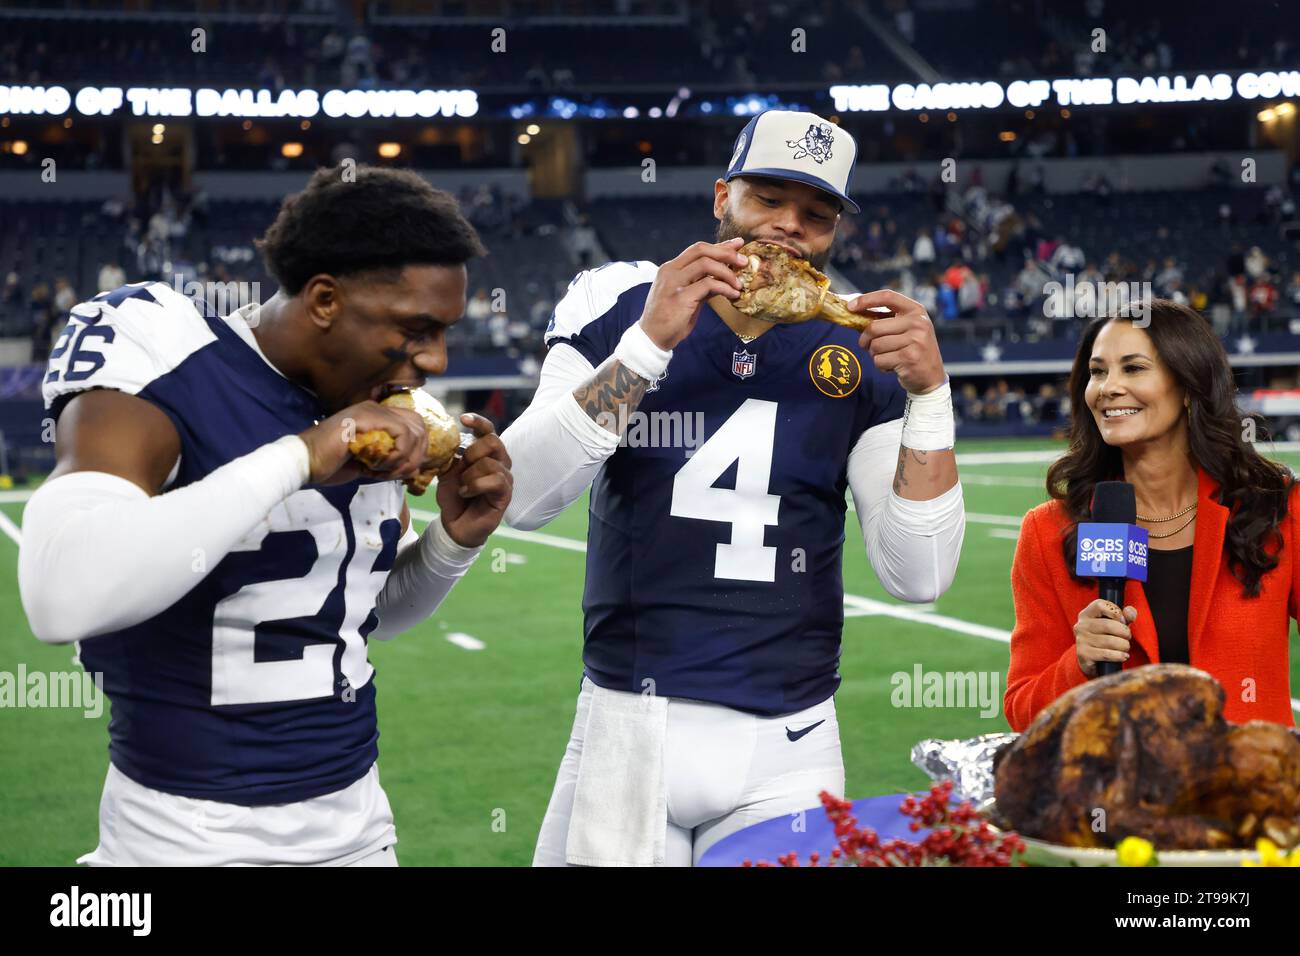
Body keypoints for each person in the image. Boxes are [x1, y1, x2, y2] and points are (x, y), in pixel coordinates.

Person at [501, 110, 966, 866]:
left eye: (816, 215)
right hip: (628, 721)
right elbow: (520, 497)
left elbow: (920, 576)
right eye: (768, 200)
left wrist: (930, 396)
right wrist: (647, 346)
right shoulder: (621, 300)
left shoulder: (863, 341)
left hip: (789, 738)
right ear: (723, 197)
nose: (788, 227)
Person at [17, 165, 513, 866]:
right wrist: (302, 456)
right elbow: (58, 595)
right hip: (181, 837)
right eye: (415, 328)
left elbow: (348, 615)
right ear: (323, 300)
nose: (434, 358)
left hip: (358, 832)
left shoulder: (369, 405)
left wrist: (450, 544)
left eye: (444, 331)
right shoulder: (173, 359)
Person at [1005, 300, 1298, 731]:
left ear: (1187, 386)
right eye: (1098, 371)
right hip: (1115, 794)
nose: (1108, 387)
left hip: (1245, 792)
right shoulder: (1049, 531)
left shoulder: (1276, 508)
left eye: (1133, 368)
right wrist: (1078, 663)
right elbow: (1023, 712)